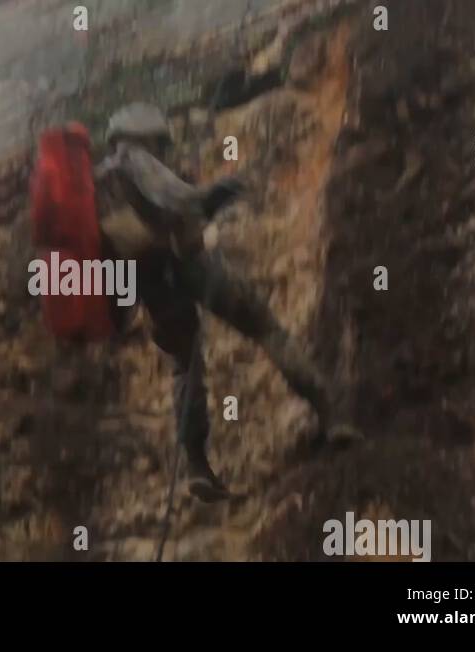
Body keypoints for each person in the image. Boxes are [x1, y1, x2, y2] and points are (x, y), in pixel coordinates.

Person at [94, 103, 360, 502]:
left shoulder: (97, 185)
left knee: (185, 365)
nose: (163, 151)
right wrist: (211, 197)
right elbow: (174, 196)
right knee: (264, 326)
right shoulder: (133, 159)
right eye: (161, 143)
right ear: (146, 134)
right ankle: (330, 412)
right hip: (186, 268)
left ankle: (197, 466)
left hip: (151, 288)